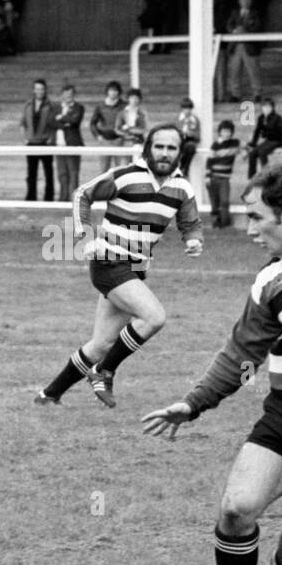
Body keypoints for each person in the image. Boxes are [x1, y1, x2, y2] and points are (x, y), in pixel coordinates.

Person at [146, 165, 282, 565]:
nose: (249, 230)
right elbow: (242, 353)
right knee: (235, 509)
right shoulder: (273, 281)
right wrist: (192, 404)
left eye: (257, 218)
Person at [34, 125, 203, 409]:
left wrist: (194, 240)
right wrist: (84, 237)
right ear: (148, 148)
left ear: (179, 152)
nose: (164, 153)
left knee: (101, 344)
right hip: (109, 262)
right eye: (159, 146)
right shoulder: (126, 177)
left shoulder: (182, 188)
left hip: (135, 269)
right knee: (154, 317)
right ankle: (103, 372)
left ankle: (48, 395)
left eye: (171, 148)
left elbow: (191, 223)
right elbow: (82, 195)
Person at [21, 79, 55, 202]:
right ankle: (31, 196)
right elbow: (23, 122)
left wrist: (50, 138)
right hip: (31, 142)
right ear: (33, 90)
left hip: (45, 142)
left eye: (42, 89)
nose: (39, 91)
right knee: (31, 172)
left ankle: (49, 197)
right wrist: (24, 137)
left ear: (45, 90)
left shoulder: (50, 105)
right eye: (37, 89)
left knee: (48, 172)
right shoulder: (28, 104)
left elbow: (54, 123)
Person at [225, 0, 263, 103]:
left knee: (253, 70)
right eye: (242, 0)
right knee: (234, 71)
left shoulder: (255, 13)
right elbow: (229, 24)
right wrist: (234, 31)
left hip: (249, 45)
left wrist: (246, 31)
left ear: (250, 2)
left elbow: (258, 26)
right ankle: (235, 94)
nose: (244, 2)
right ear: (239, 2)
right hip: (236, 45)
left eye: (247, 0)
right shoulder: (234, 13)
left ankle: (257, 93)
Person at [51, 84, 85, 201]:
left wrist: (61, 118)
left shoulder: (78, 108)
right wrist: (65, 122)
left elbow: (74, 121)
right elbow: (52, 123)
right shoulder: (56, 108)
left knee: (73, 175)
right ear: (62, 95)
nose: (68, 97)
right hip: (59, 146)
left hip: (72, 145)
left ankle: (73, 203)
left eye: (70, 95)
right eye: (65, 95)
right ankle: (63, 202)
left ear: (73, 95)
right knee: (62, 176)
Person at [206, 119, 240, 229]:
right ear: (220, 132)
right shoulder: (215, 145)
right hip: (213, 177)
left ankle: (225, 223)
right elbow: (209, 161)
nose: (226, 133)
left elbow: (246, 148)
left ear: (231, 132)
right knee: (214, 203)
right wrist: (207, 176)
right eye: (224, 131)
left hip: (224, 179)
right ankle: (216, 222)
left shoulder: (235, 144)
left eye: (228, 131)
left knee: (224, 201)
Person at [245, 98, 282, 177]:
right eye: (264, 107)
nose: (266, 109)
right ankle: (252, 177)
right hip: (268, 141)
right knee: (252, 154)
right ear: (261, 108)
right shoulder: (261, 118)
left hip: (276, 141)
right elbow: (257, 131)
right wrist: (253, 143)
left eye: (268, 107)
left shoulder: (278, 118)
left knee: (262, 152)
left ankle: (266, 176)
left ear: (272, 108)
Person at [90, 80, 126, 173]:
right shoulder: (101, 106)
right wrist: (98, 136)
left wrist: (124, 136)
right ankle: (104, 188)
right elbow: (93, 123)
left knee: (122, 170)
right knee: (104, 171)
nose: (113, 93)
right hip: (104, 141)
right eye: (111, 90)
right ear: (107, 91)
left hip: (119, 141)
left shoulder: (124, 106)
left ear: (119, 92)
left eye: (115, 90)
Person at [176, 97, 201, 176]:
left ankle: (184, 168)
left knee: (190, 147)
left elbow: (198, 135)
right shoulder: (178, 119)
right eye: (185, 108)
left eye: (189, 108)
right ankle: (181, 168)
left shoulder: (194, 120)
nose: (187, 111)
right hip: (180, 140)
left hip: (190, 140)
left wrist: (191, 133)